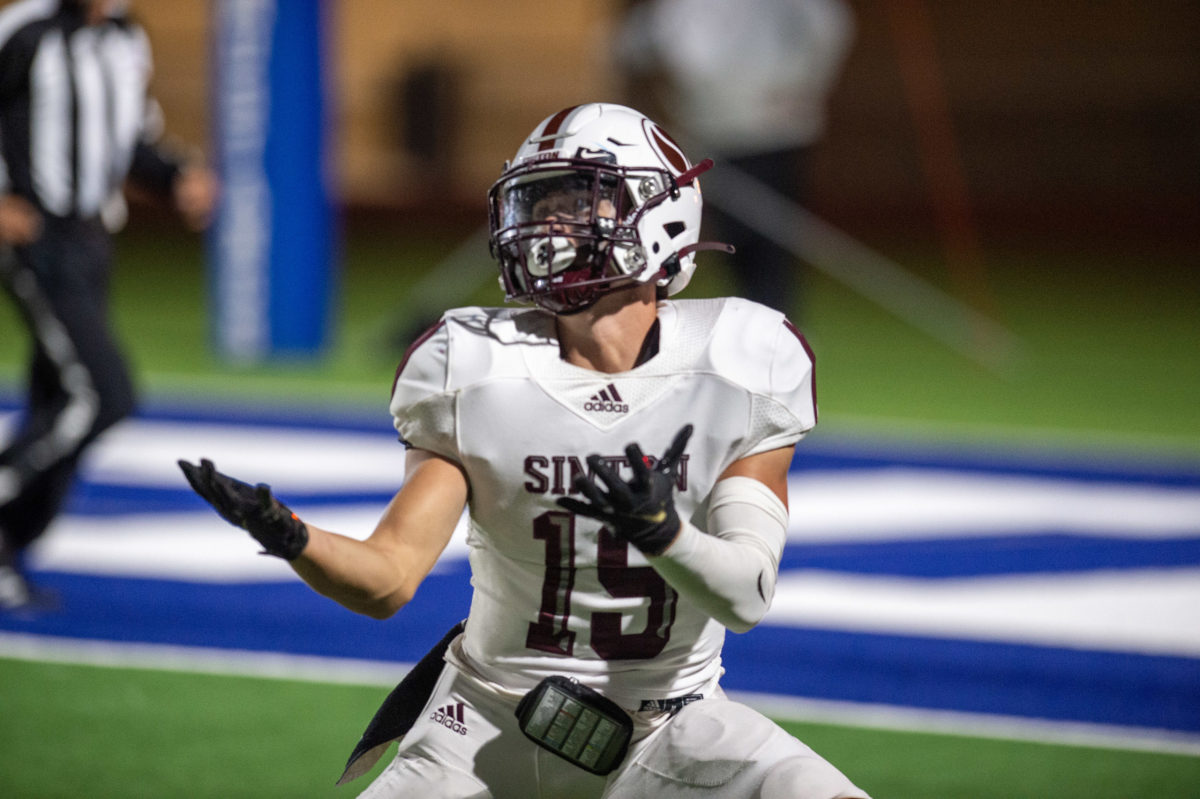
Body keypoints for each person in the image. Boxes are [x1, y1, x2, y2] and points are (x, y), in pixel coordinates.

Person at [180, 103, 868, 798]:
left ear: (660, 215)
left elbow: (747, 593)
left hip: (670, 727)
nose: (547, 227)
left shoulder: (740, 362)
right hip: (482, 723)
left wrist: (664, 533)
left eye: (578, 203)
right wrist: (290, 535)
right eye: (538, 202)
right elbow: (387, 579)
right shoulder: (475, 366)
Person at [0, 0, 217, 610]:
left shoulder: (124, 39)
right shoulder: (26, 31)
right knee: (98, 394)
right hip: (38, 239)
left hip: (93, 240)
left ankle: (12, 545)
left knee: (56, 396)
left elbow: (128, 141)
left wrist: (175, 178)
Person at [616, 0, 855, 319]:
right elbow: (633, 45)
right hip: (710, 138)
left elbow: (830, 27)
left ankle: (778, 329)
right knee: (735, 244)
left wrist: (806, 87)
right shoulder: (681, 8)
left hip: (777, 135)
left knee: (770, 250)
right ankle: (760, 325)